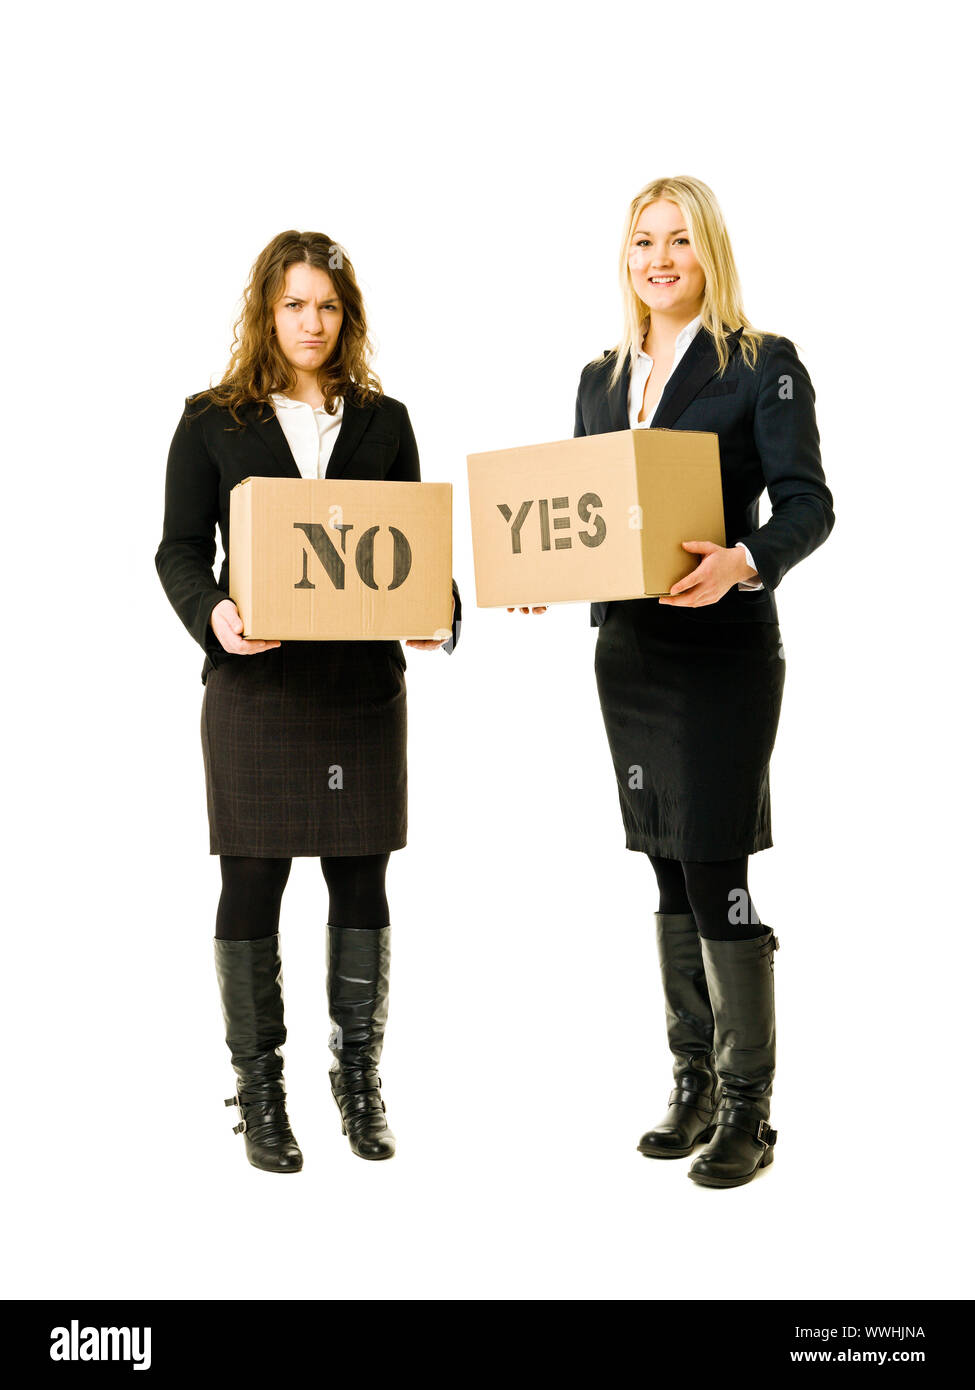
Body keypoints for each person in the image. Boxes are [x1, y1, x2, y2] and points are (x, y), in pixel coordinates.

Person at [155, 230, 461, 1172]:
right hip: (257, 686)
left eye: (326, 305)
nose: (311, 322)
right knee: (252, 879)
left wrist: (437, 613)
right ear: (266, 310)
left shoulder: (386, 418)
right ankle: (259, 1094)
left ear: (347, 314)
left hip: (361, 688)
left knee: (360, 879)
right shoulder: (211, 420)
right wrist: (215, 615)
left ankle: (359, 1084)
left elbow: (413, 549)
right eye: (294, 304)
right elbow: (176, 552)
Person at [569, 175, 835, 1187]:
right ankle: (689, 1084)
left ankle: (749, 1108)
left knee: (717, 865)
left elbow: (808, 502)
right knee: (665, 864)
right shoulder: (600, 378)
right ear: (626, 258)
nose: (661, 257)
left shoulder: (761, 363)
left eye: (681, 239)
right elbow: (585, 513)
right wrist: (545, 577)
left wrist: (744, 559)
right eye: (645, 241)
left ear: (709, 251)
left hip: (723, 655)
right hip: (628, 656)